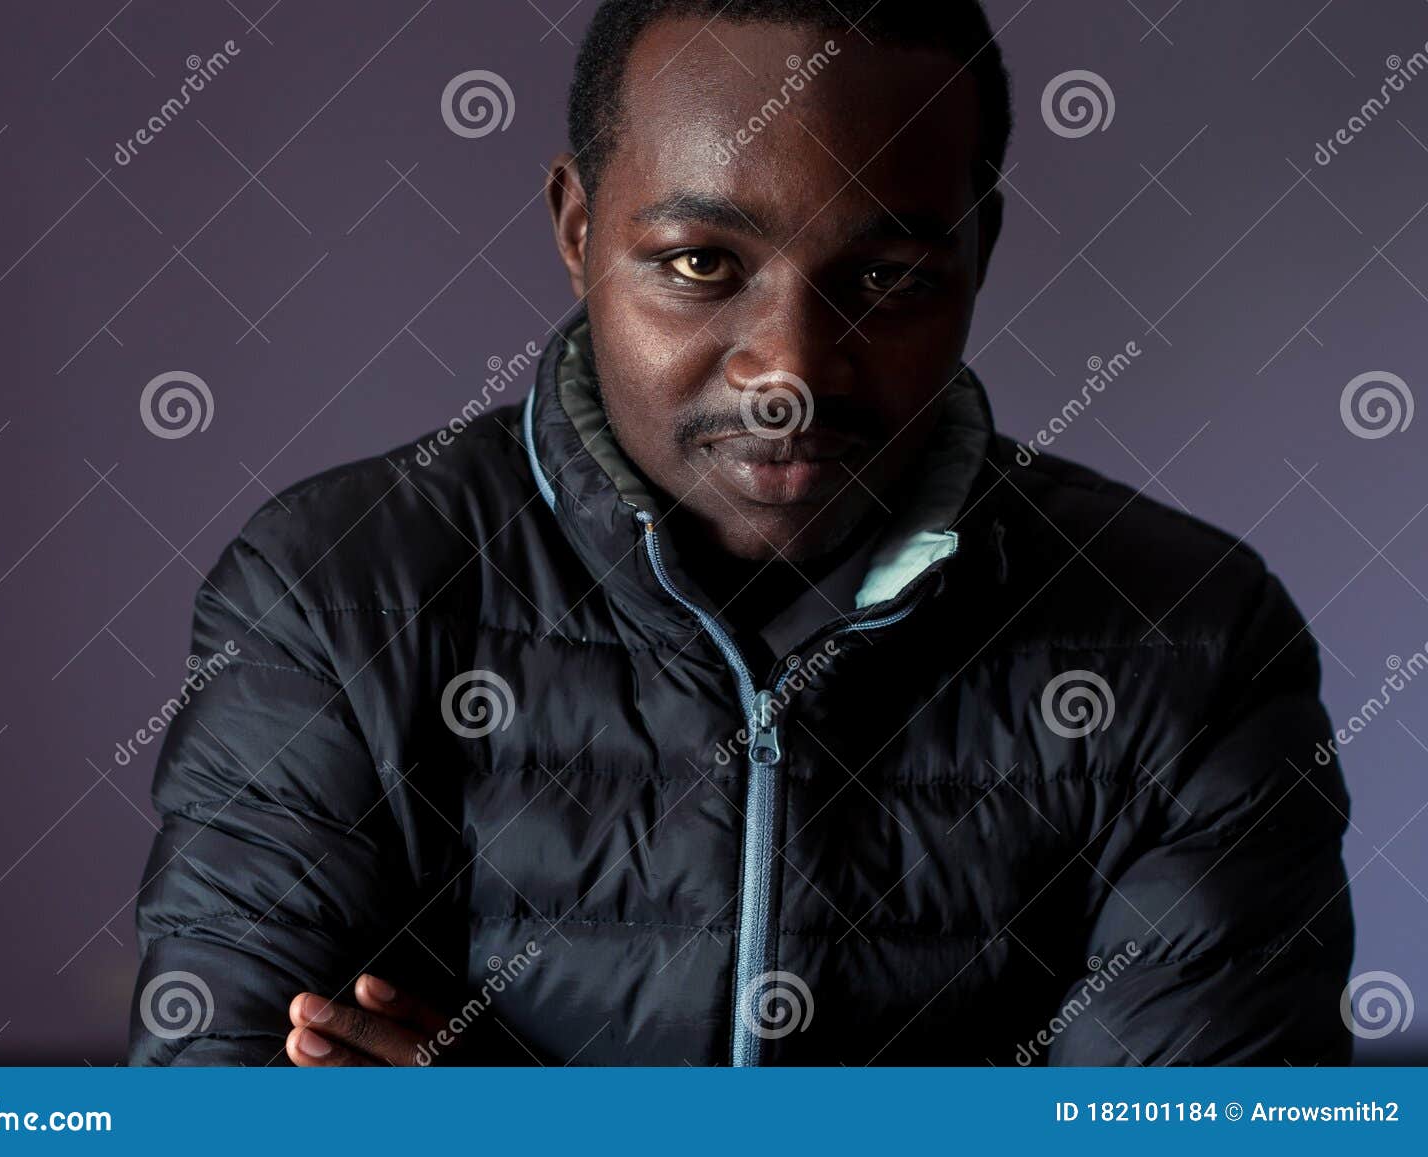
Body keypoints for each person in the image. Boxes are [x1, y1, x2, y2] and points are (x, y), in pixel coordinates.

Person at [127, 0, 1354, 1067]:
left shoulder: (1190, 638)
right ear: (575, 228)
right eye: (702, 262)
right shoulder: (336, 595)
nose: (790, 371)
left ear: (977, 248)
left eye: (886, 277)